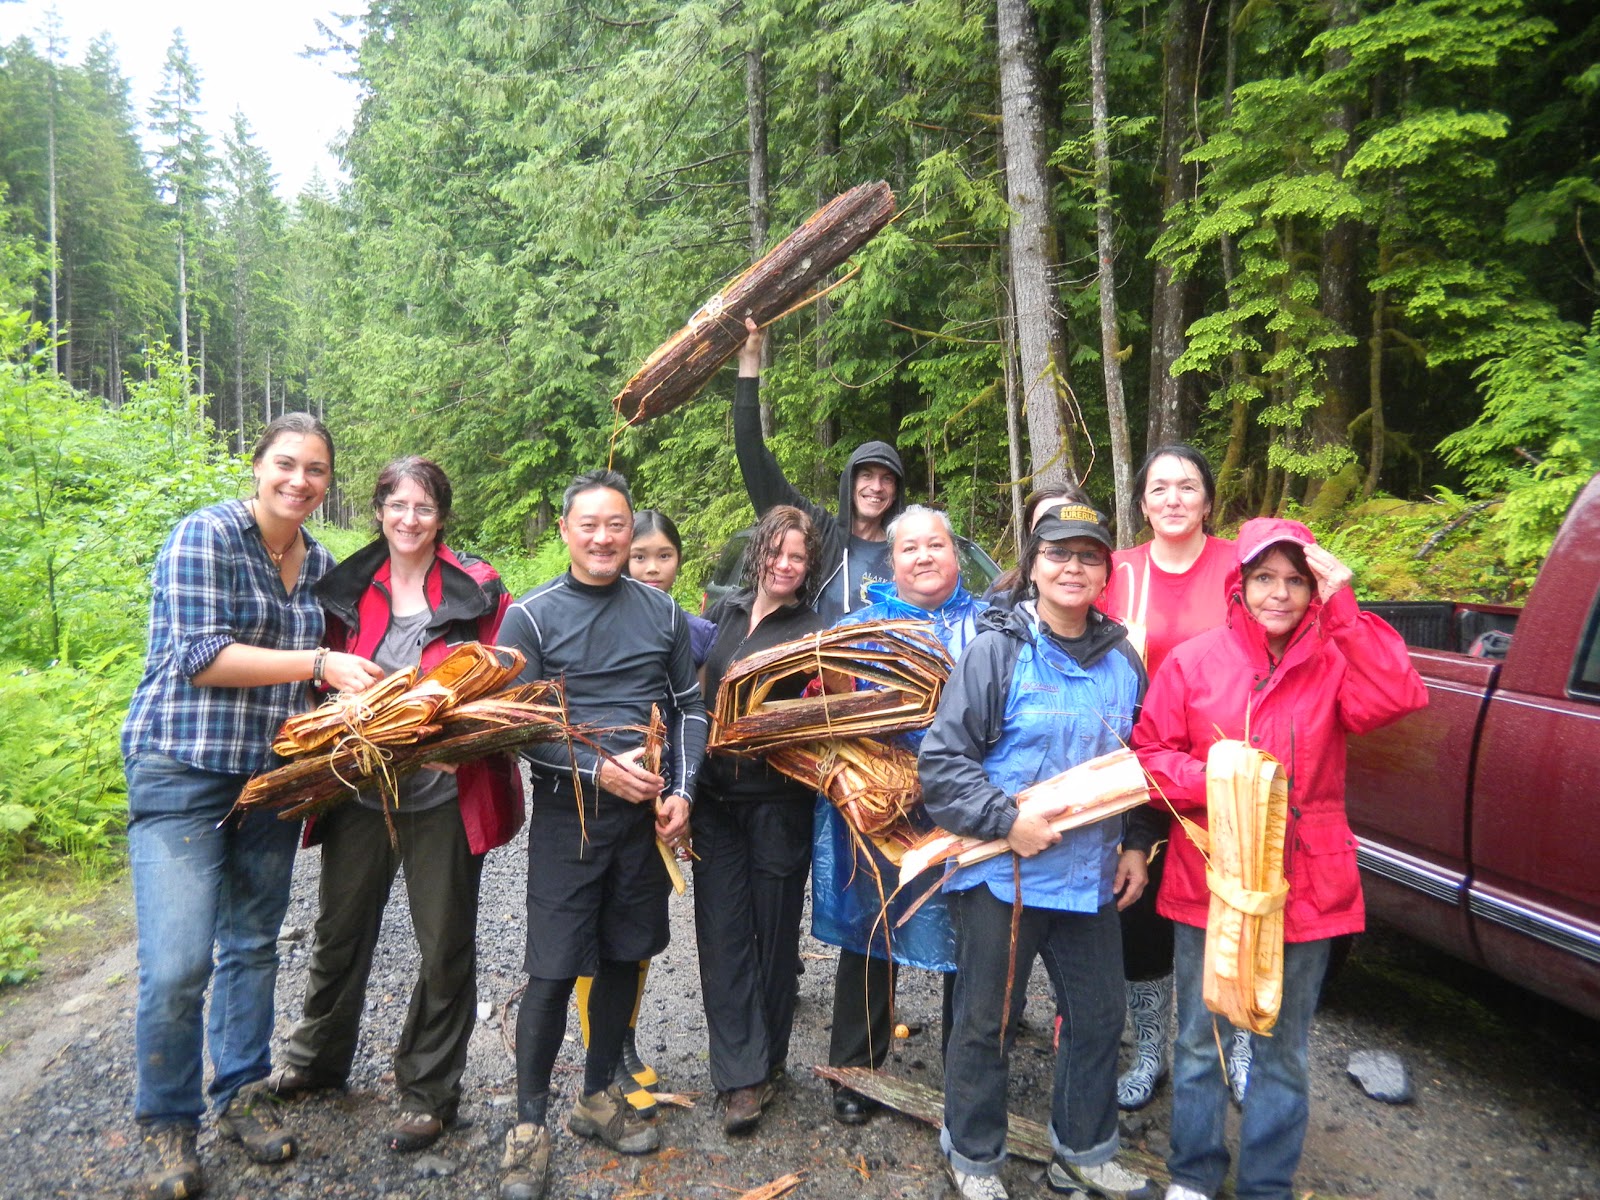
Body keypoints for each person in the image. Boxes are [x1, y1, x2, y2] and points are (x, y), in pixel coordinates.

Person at [122, 413, 384, 1200]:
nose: (300, 481)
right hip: (180, 771)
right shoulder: (204, 537)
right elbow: (202, 657)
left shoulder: (324, 563)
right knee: (177, 964)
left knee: (252, 946)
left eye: (316, 470)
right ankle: (169, 1124)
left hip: (267, 781)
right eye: (287, 465)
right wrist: (321, 662)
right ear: (258, 465)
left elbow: (319, 682)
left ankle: (239, 1094)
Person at [1131, 519, 1427, 1200]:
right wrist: (1218, 778)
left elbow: (1397, 696)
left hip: (1304, 882)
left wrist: (1346, 607)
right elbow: (1148, 755)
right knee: (1199, 1041)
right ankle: (1193, 1176)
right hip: (1209, 872)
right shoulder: (1195, 660)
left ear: (1314, 588)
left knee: (1282, 1049)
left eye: (1297, 580)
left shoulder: (1334, 661)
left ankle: (1267, 1184)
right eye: (1266, 577)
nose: (1280, 593)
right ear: (1241, 583)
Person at [267, 456, 523, 1154]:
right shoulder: (346, 585)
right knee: (339, 930)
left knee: (445, 947)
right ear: (379, 509)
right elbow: (315, 677)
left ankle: (428, 1090)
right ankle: (317, 1059)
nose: (409, 520)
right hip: (360, 789)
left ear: (442, 517)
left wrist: (460, 737)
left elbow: (503, 678)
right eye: (397, 506)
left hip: (445, 792)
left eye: (424, 508)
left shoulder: (479, 587)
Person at [918, 501, 1157, 1200]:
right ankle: (974, 1154)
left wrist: (1138, 846)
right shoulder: (999, 649)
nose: (1072, 567)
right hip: (1005, 878)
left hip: (1090, 880)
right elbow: (943, 764)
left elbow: (1140, 764)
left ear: (1106, 571)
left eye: (1088, 556)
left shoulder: (1123, 659)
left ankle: (1082, 1151)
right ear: (1033, 566)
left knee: (1099, 1018)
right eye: (1058, 554)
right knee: (987, 1022)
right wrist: (1004, 822)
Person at [493, 469, 706, 1200]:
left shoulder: (662, 613)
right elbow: (514, 723)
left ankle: (596, 1095)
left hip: (642, 816)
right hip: (568, 813)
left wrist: (682, 790)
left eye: (616, 524)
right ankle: (527, 1125)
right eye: (589, 525)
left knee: (624, 955)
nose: (604, 537)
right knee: (553, 968)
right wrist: (593, 768)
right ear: (565, 531)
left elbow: (690, 709)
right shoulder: (531, 616)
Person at [812, 504, 987, 1124]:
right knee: (871, 932)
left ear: (955, 554)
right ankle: (856, 1072)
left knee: (974, 938)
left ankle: (965, 1075)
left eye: (934, 545)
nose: (923, 557)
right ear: (891, 561)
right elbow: (828, 715)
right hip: (883, 807)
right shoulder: (858, 630)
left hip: (971, 804)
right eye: (909, 548)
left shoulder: (992, 627)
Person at [1095, 446, 1234, 1110]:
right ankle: (1149, 1048)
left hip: (1224, 775)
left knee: (1227, 915)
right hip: (1138, 775)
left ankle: (1234, 1045)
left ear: (1208, 499)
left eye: (1187, 486)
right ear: (1143, 503)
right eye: (1159, 488)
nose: (1173, 498)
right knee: (1140, 913)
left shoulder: (1240, 567)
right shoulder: (1116, 572)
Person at [575, 507, 717, 1117]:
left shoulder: (692, 630)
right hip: (598, 790)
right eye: (641, 557)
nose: (652, 568)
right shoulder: (593, 618)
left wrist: (683, 794)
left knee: (635, 934)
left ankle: (622, 1041)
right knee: (591, 929)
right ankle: (600, 1053)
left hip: (658, 798)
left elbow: (695, 713)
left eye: (663, 556)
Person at [693, 505, 827, 1134]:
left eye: (795, 556)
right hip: (715, 803)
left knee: (773, 938)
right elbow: (687, 683)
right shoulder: (721, 613)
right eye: (774, 552)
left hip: (779, 802)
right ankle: (738, 1075)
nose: (783, 564)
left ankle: (768, 1061)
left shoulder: (816, 630)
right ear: (758, 554)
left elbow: (829, 714)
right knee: (722, 935)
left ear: (809, 566)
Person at [734, 318, 904, 621]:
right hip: (813, 666)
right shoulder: (817, 532)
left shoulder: (904, 551)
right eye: (866, 475)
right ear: (850, 483)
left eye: (887, 479)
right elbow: (753, 458)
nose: (876, 487)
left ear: (896, 491)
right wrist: (749, 364)